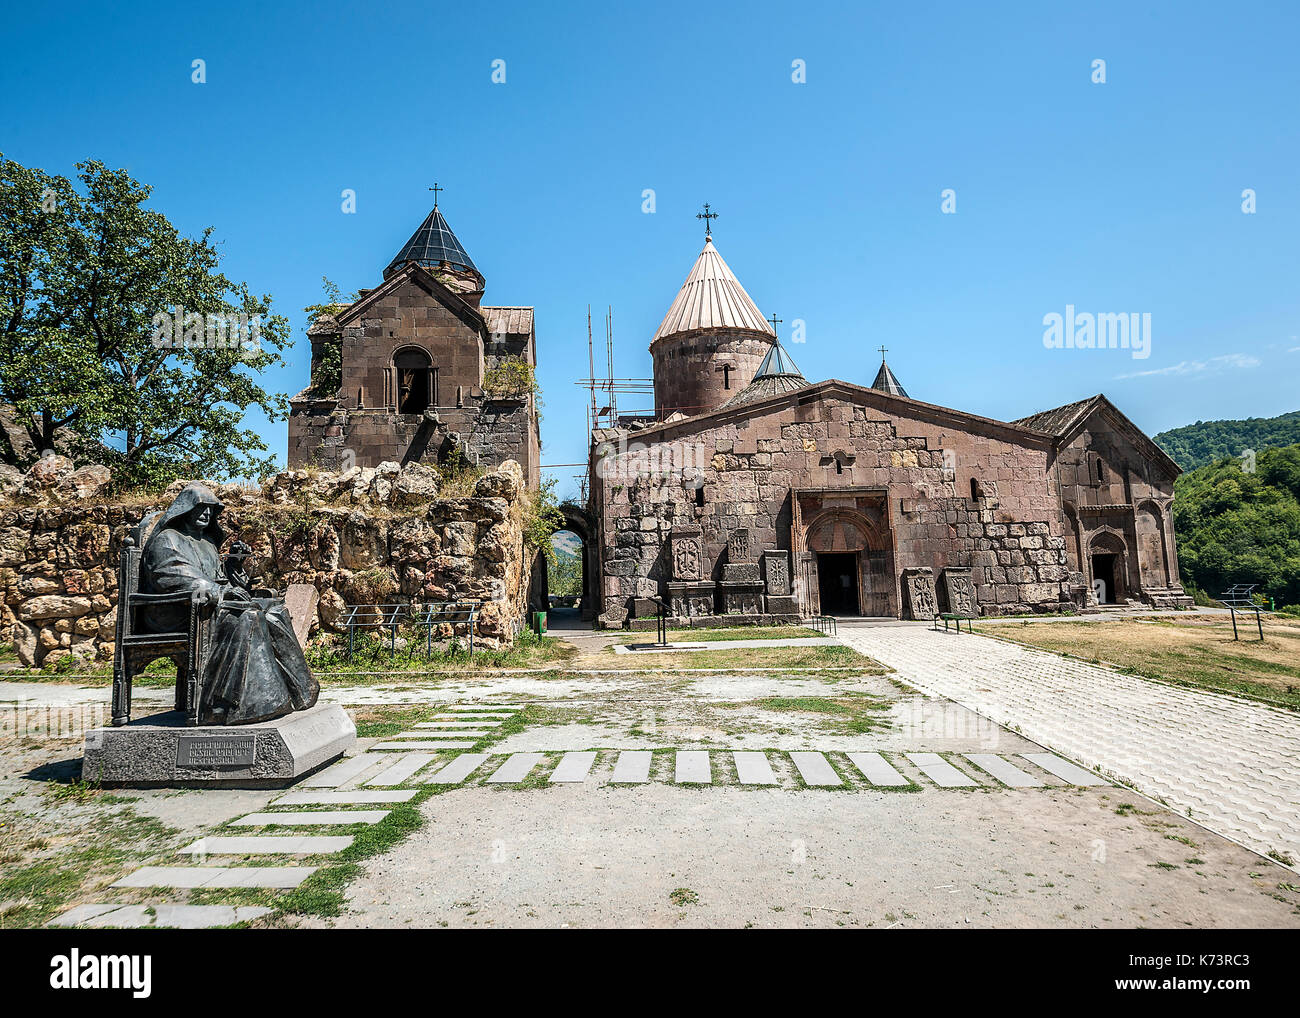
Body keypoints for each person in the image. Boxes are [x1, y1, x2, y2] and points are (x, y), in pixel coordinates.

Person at [139, 483, 319, 725]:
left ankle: (301, 690)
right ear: (185, 509)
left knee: (273, 610)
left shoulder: (206, 543)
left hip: (208, 604)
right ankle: (235, 704)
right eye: (200, 508)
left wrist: (234, 566)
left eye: (211, 510)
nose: (206, 514)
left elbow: (220, 579)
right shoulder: (167, 540)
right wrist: (219, 591)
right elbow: (174, 576)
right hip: (176, 611)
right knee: (249, 617)